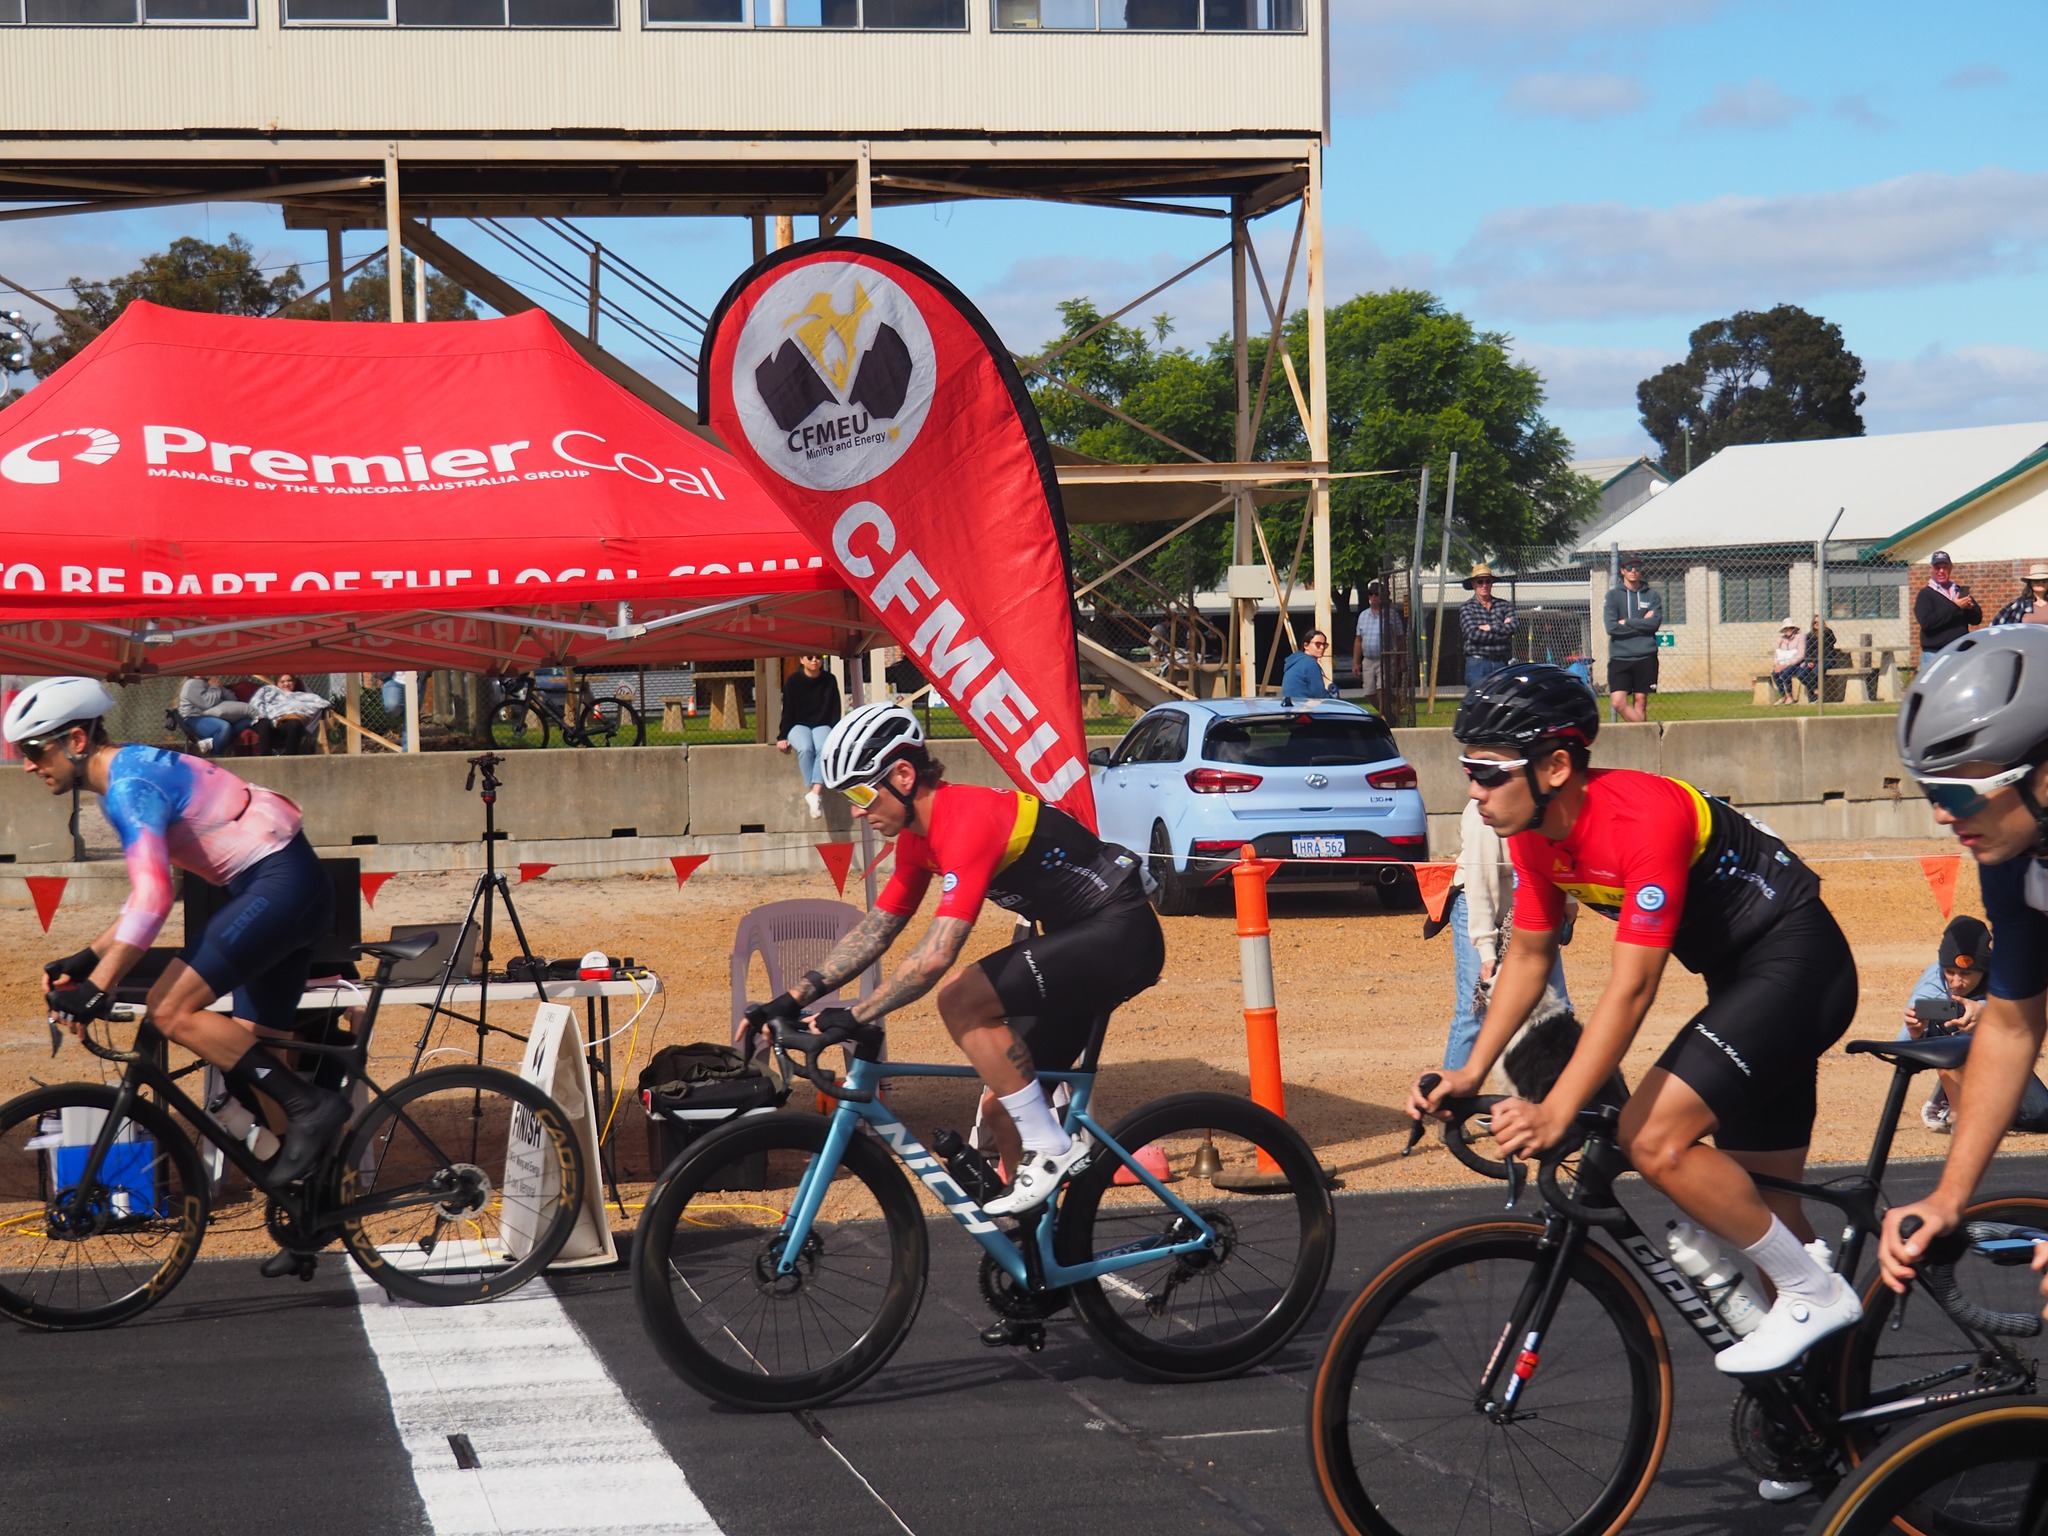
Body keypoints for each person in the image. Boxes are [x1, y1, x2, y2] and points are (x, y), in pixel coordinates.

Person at [1412, 663, 1862, 1378]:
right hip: (1742, 983)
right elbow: (1528, 958)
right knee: (1765, 1208)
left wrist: (1557, 1109)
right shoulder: (1530, 833)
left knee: (1650, 1136)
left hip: (1799, 967)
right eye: (1468, 769)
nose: (1473, 790)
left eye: (1488, 771)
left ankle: (1813, 1291)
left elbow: (1633, 986)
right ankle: (1831, 1424)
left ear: (1556, 766)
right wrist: (1471, 1069)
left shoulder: (1641, 816)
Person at [761, 702, 1164, 1216]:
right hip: (1085, 941)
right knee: (1004, 1109)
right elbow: (879, 929)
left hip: (1119, 934)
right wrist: (791, 998)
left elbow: (936, 957)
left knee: (961, 1000)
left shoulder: (966, 819)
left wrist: (854, 1016)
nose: (858, 811)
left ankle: (1057, 1150)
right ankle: (1041, 1246)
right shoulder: (917, 838)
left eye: (861, 793)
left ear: (903, 776)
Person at [13, 678, 348, 1217]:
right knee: (253, 1055)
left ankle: (314, 1106)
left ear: (76, 740)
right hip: (287, 886)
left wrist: (100, 988)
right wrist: (91, 957)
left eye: (34, 749)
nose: (28, 765)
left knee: (170, 1009)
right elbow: (147, 892)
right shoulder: (132, 769)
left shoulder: (127, 789)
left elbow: (155, 895)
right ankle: (314, 1207)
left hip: (277, 887)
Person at [1880, 625, 2048, 1317]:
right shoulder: (2012, 859)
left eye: (1961, 792)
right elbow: (2010, 1027)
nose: (1945, 814)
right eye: (1929, 791)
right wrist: (1949, 1196)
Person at [1441, 795, 1571, 1071]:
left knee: (1557, 1005)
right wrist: (1486, 948)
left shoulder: (1545, 804)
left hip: (1532, 901)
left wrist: (1568, 902)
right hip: (1477, 904)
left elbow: (1560, 853)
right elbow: (1479, 885)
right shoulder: (1483, 814)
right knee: (1474, 1011)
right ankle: (1449, 1103)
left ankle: (1561, 1101)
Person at [1896, 915, 1991, 1134]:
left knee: (2036, 1117)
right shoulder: (1933, 981)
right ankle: (1955, 1103)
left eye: (1966, 973)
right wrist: (1916, 1033)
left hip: (2000, 1062)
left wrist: (1986, 1015)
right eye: (1950, 972)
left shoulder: (2005, 978)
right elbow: (1902, 1050)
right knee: (1946, 1034)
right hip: (1954, 1053)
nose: (1956, 982)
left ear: (1984, 969)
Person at [774, 653, 843, 819]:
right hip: (798, 725)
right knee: (805, 748)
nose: (814, 661)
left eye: (818, 657)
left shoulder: (830, 680)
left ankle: (815, 792)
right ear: (802, 660)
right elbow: (788, 710)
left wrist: (835, 732)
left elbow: (835, 708)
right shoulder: (793, 681)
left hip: (822, 724)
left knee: (823, 747)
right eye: (810, 657)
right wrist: (782, 736)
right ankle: (812, 790)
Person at [1602, 556, 1661, 723]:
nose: (1633, 571)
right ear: (1622, 571)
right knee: (1618, 702)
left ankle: (1642, 744)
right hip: (1620, 657)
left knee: (1640, 702)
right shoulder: (1613, 596)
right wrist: (1643, 623)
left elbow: (1654, 624)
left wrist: (1627, 622)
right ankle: (1647, 733)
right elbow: (1611, 627)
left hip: (1645, 656)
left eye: (1637, 567)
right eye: (1629, 567)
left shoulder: (1652, 595)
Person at [1458, 564, 1517, 686]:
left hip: (1502, 662)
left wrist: (1489, 627)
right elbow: (1473, 634)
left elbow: (1514, 626)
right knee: (1478, 701)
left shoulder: (1504, 605)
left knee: (1502, 700)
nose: (1484, 585)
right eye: (1480, 581)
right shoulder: (1467, 608)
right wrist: (1502, 631)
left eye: (1488, 581)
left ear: (1492, 584)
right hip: (1478, 663)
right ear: (1473, 584)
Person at [1913, 550, 1981, 656]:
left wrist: (1969, 609)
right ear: (1931, 569)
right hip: (1935, 653)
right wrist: (1955, 606)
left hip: (1960, 650)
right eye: (1937, 568)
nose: (1941, 571)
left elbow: (1976, 620)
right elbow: (1927, 622)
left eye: (1945, 567)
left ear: (1951, 568)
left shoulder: (1958, 590)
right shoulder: (1925, 594)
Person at [247, 672, 331, 756]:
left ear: (294, 683)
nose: (286, 684)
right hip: (267, 720)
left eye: (289, 681)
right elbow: (256, 702)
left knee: (295, 724)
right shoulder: (268, 690)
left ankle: (289, 758)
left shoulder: (301, 696)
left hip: (285, 724)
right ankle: (266, 759)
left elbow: (322, 703)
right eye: (282, 681)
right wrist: (262, 714)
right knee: (263, 724)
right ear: (277, 683)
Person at [175, 674, 253, 755]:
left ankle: (212, 742)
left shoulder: (208, 682)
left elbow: (233, 700)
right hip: (195, 718)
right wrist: (215, 688)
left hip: (216, 716)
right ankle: (216, 756)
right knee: (223, 727)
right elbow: (207, 703)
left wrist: (220, 688)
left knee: (247, 720)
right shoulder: (191, 684)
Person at [1351, 584, 1402, 698]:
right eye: (1371, 594)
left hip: (1385, 658)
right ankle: (1388, 713)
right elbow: (1358, 640)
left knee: (1382, 690)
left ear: (1383, 596)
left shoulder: (1391, 615)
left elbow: (1400, 639)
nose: (1374, 597)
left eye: (1377, 594)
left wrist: (1401, 660)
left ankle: (1385, 714)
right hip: (1368, 660)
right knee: (1369, 693)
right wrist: (1355, 662)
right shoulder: (1363, 615)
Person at [1280, 630, 1336, 699]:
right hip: (1304, 706)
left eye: (1324, 644)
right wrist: (1334, 698)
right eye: (1318, 644)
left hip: (1290, 705)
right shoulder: (1310, 663)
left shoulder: (1296, 661)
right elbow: (1319, 694)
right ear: (1306, 645)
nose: (1322, 647)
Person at [1769, 618, 1812, 705]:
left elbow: (1800, 655)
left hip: (1796, 663)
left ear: (1794, 628)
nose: (1788, 630)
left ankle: (1790, 696)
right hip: (1782, 663)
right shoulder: (1782, 639)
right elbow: (1776, 653)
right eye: (1786, 628)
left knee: (1785, 673)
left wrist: (1785, 665)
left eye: (1790, 628)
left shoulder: (1800, 637)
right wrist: (1776, 663)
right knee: (1775, 673)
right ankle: (1783, 696)